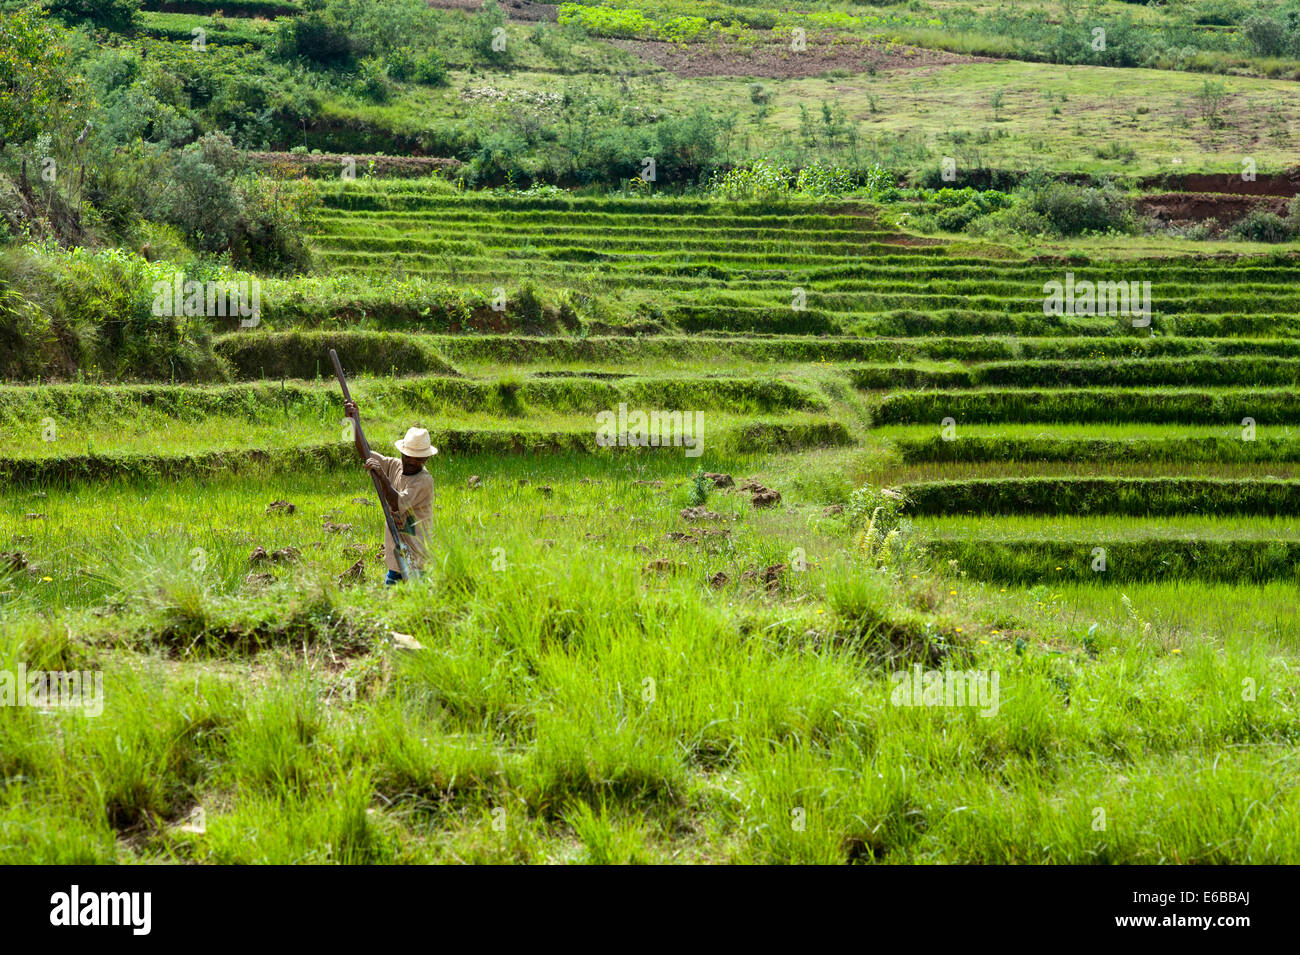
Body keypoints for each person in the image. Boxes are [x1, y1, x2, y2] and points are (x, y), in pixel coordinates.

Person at [343, 400, 435, 585]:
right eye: (407, 456)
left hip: (418, 562)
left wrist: (382, 476)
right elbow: (365, 453)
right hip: (397, 560)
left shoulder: (424, 481)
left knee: (416, 607)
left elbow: (396, 503)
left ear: (425, 458)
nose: (410, 461)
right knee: (390, 605)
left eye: (416, 459)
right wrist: (354, 422)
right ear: (402, 452)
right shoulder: (395, 466)